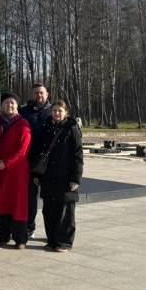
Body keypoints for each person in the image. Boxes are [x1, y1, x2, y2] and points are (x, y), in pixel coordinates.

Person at [30, 100, 83, 252]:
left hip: (65, 177)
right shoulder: (46, 127)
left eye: (60, 111)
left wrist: (76, 179)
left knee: (65, 210)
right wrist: (37, 174)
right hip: (48, 176)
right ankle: (52, 240)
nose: (57, 113)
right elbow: (39, 151)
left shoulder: (72, 128)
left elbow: (78, 156)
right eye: (54, 110)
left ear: (66, 112)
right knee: (49, 210)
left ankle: (64, 242)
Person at [0, 93, 32, 249]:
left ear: (17, 105)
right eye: (6, 103)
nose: (9, 105)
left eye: (12, 103)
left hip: (16, 170)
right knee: (0, 202)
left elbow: (23, 149)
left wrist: (6, 163)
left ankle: (20, 238)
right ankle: (2, 235)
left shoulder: (23, 123)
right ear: (1, 105)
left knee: (17, 203)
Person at [19, 83, 52, 239]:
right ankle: (29, 227)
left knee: (49, 198)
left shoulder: (53, 111)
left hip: (49, 161)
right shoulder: (24, 111)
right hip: (29, 160)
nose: (39, 95)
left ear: (47, 94)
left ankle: (52, 231)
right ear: (32, 94)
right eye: (36, 93)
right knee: (30, 197)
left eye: (41, 93)